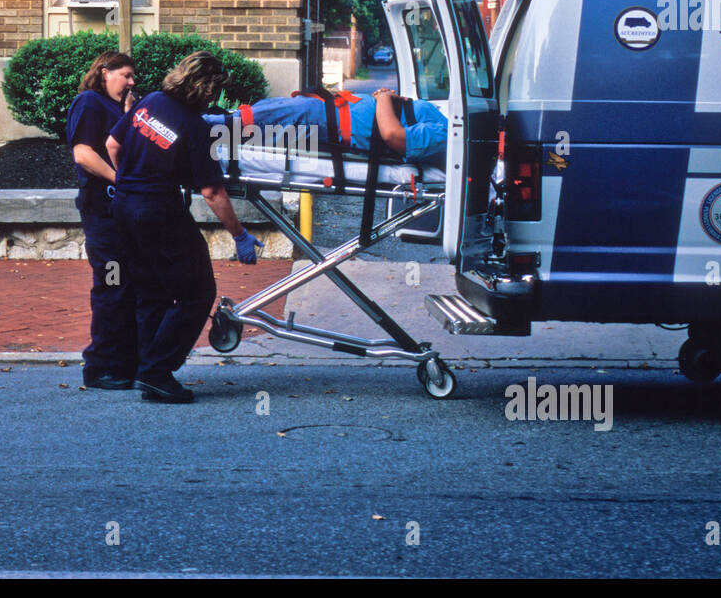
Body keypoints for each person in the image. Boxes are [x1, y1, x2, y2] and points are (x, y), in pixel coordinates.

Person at [106, 51, 261, 404]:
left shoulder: (150, 102)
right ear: (202, 87)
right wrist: (240, 236)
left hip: (125, 207)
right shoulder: (196, 127)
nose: (213, 97)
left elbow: (112, 144)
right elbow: (212, 191)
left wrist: (134, 178)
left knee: (152, 293)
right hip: (158, 213)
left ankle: (146, 368)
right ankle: (157, 373)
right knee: (196, 293)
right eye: (212, 91)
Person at [65, 51, 139, 390]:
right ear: (104, 71)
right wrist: (118, 180)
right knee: (111, 286)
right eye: (124, 74)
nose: (131, 82)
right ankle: (100, 367)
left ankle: (125, 362)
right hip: (102, 215)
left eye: (132, 76)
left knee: (128, 287)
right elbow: (83, 153)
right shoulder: (89, 102)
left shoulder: (116, 107)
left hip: (123, 216)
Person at [205, 87, 448, 162]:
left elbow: (393, 136)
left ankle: (193, 126)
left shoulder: (447, 135)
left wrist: (384, 97)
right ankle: (200, 122)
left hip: (324, 122)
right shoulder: (443, 123)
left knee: (242, 122)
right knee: (251, 113)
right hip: (325, 112)